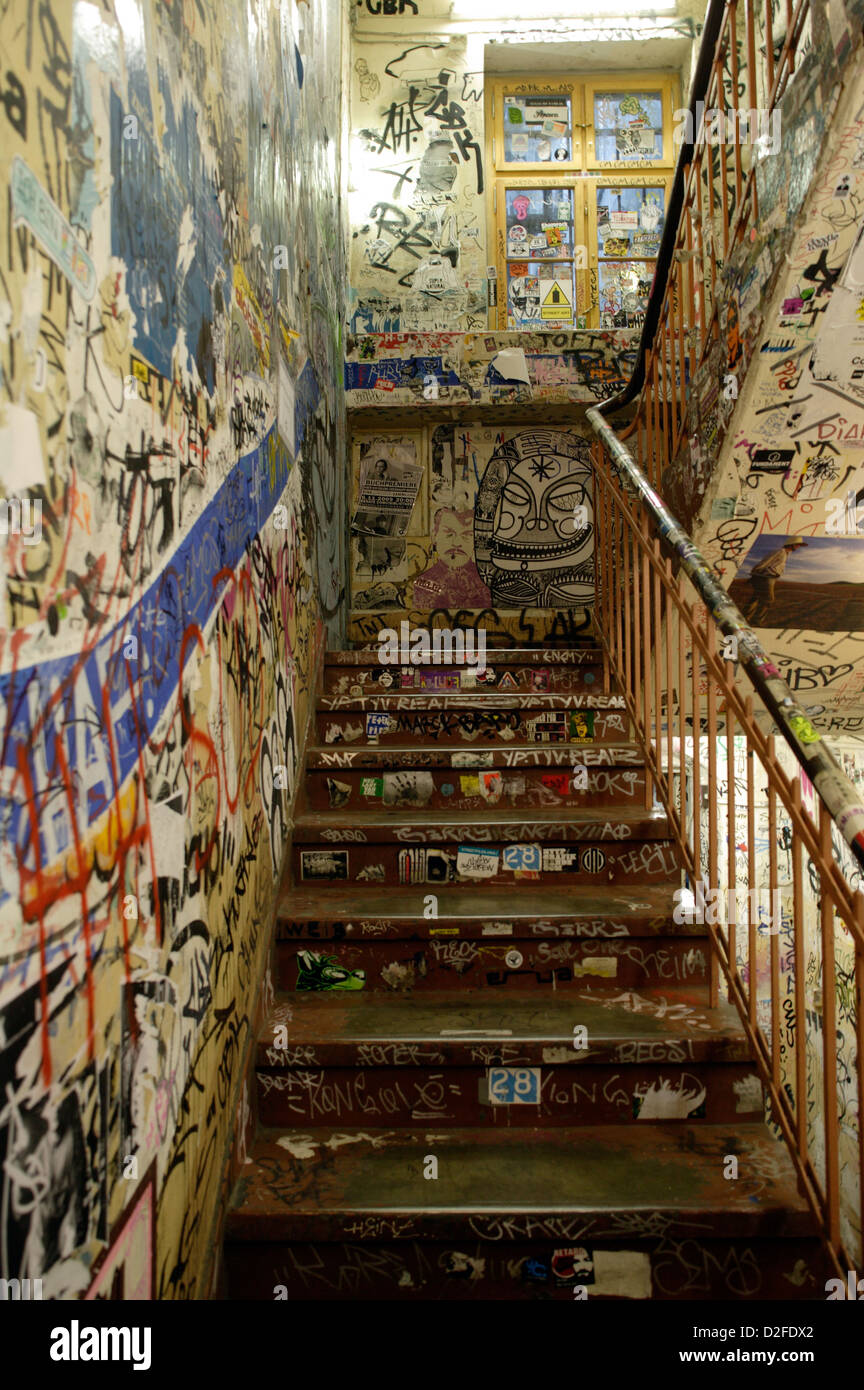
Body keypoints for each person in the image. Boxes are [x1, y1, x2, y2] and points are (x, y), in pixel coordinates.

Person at [742, 538, 808, 624]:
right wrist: (754, 573)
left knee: (757, 597)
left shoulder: (786, 553)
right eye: (798, 544)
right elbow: (765, 561)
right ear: (792, 544)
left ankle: (746, 617)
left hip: (768, 577)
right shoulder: (780, 551)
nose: (799, 547)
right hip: (766, 577)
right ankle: (757, 620)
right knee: (769, 599)